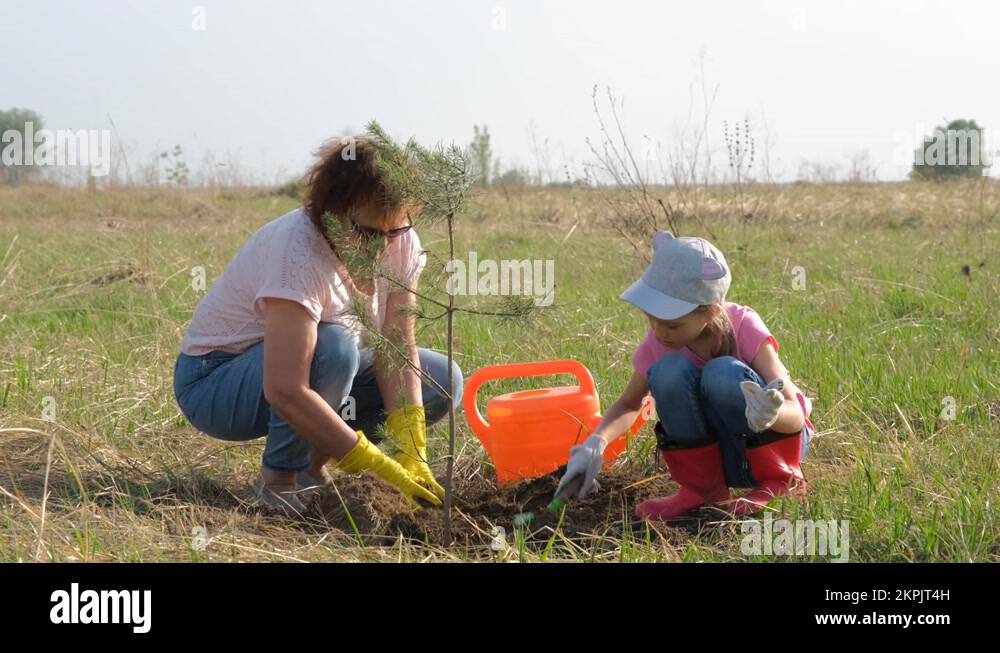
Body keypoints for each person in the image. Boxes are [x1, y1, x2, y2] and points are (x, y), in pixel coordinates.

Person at [172, 136, 463, 514]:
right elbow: (284, 387)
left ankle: (310, 468)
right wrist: (369, 461)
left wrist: (413, 449)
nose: (382, 246)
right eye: (368, 233)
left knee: (441, 381)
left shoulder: (400, 240)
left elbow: (396, 346)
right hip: (217, 382)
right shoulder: (298, 251)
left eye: (394, 231)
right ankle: (279, 481)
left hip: (311, 368)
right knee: (336, 349)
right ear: (332, 216)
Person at [556, 231, 814, 520]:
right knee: (667, 372)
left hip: (775, 446)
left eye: (672, 324)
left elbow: (795, 416)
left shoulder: (744, 327)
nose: (658, 331)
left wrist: (772, 414)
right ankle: (703, 490)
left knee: (722, 372)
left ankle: (781, 482)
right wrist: (596, 444)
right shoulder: (659, 343)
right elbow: (630, 404)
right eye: (651, 318)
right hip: (723, 452)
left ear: (710, 312)